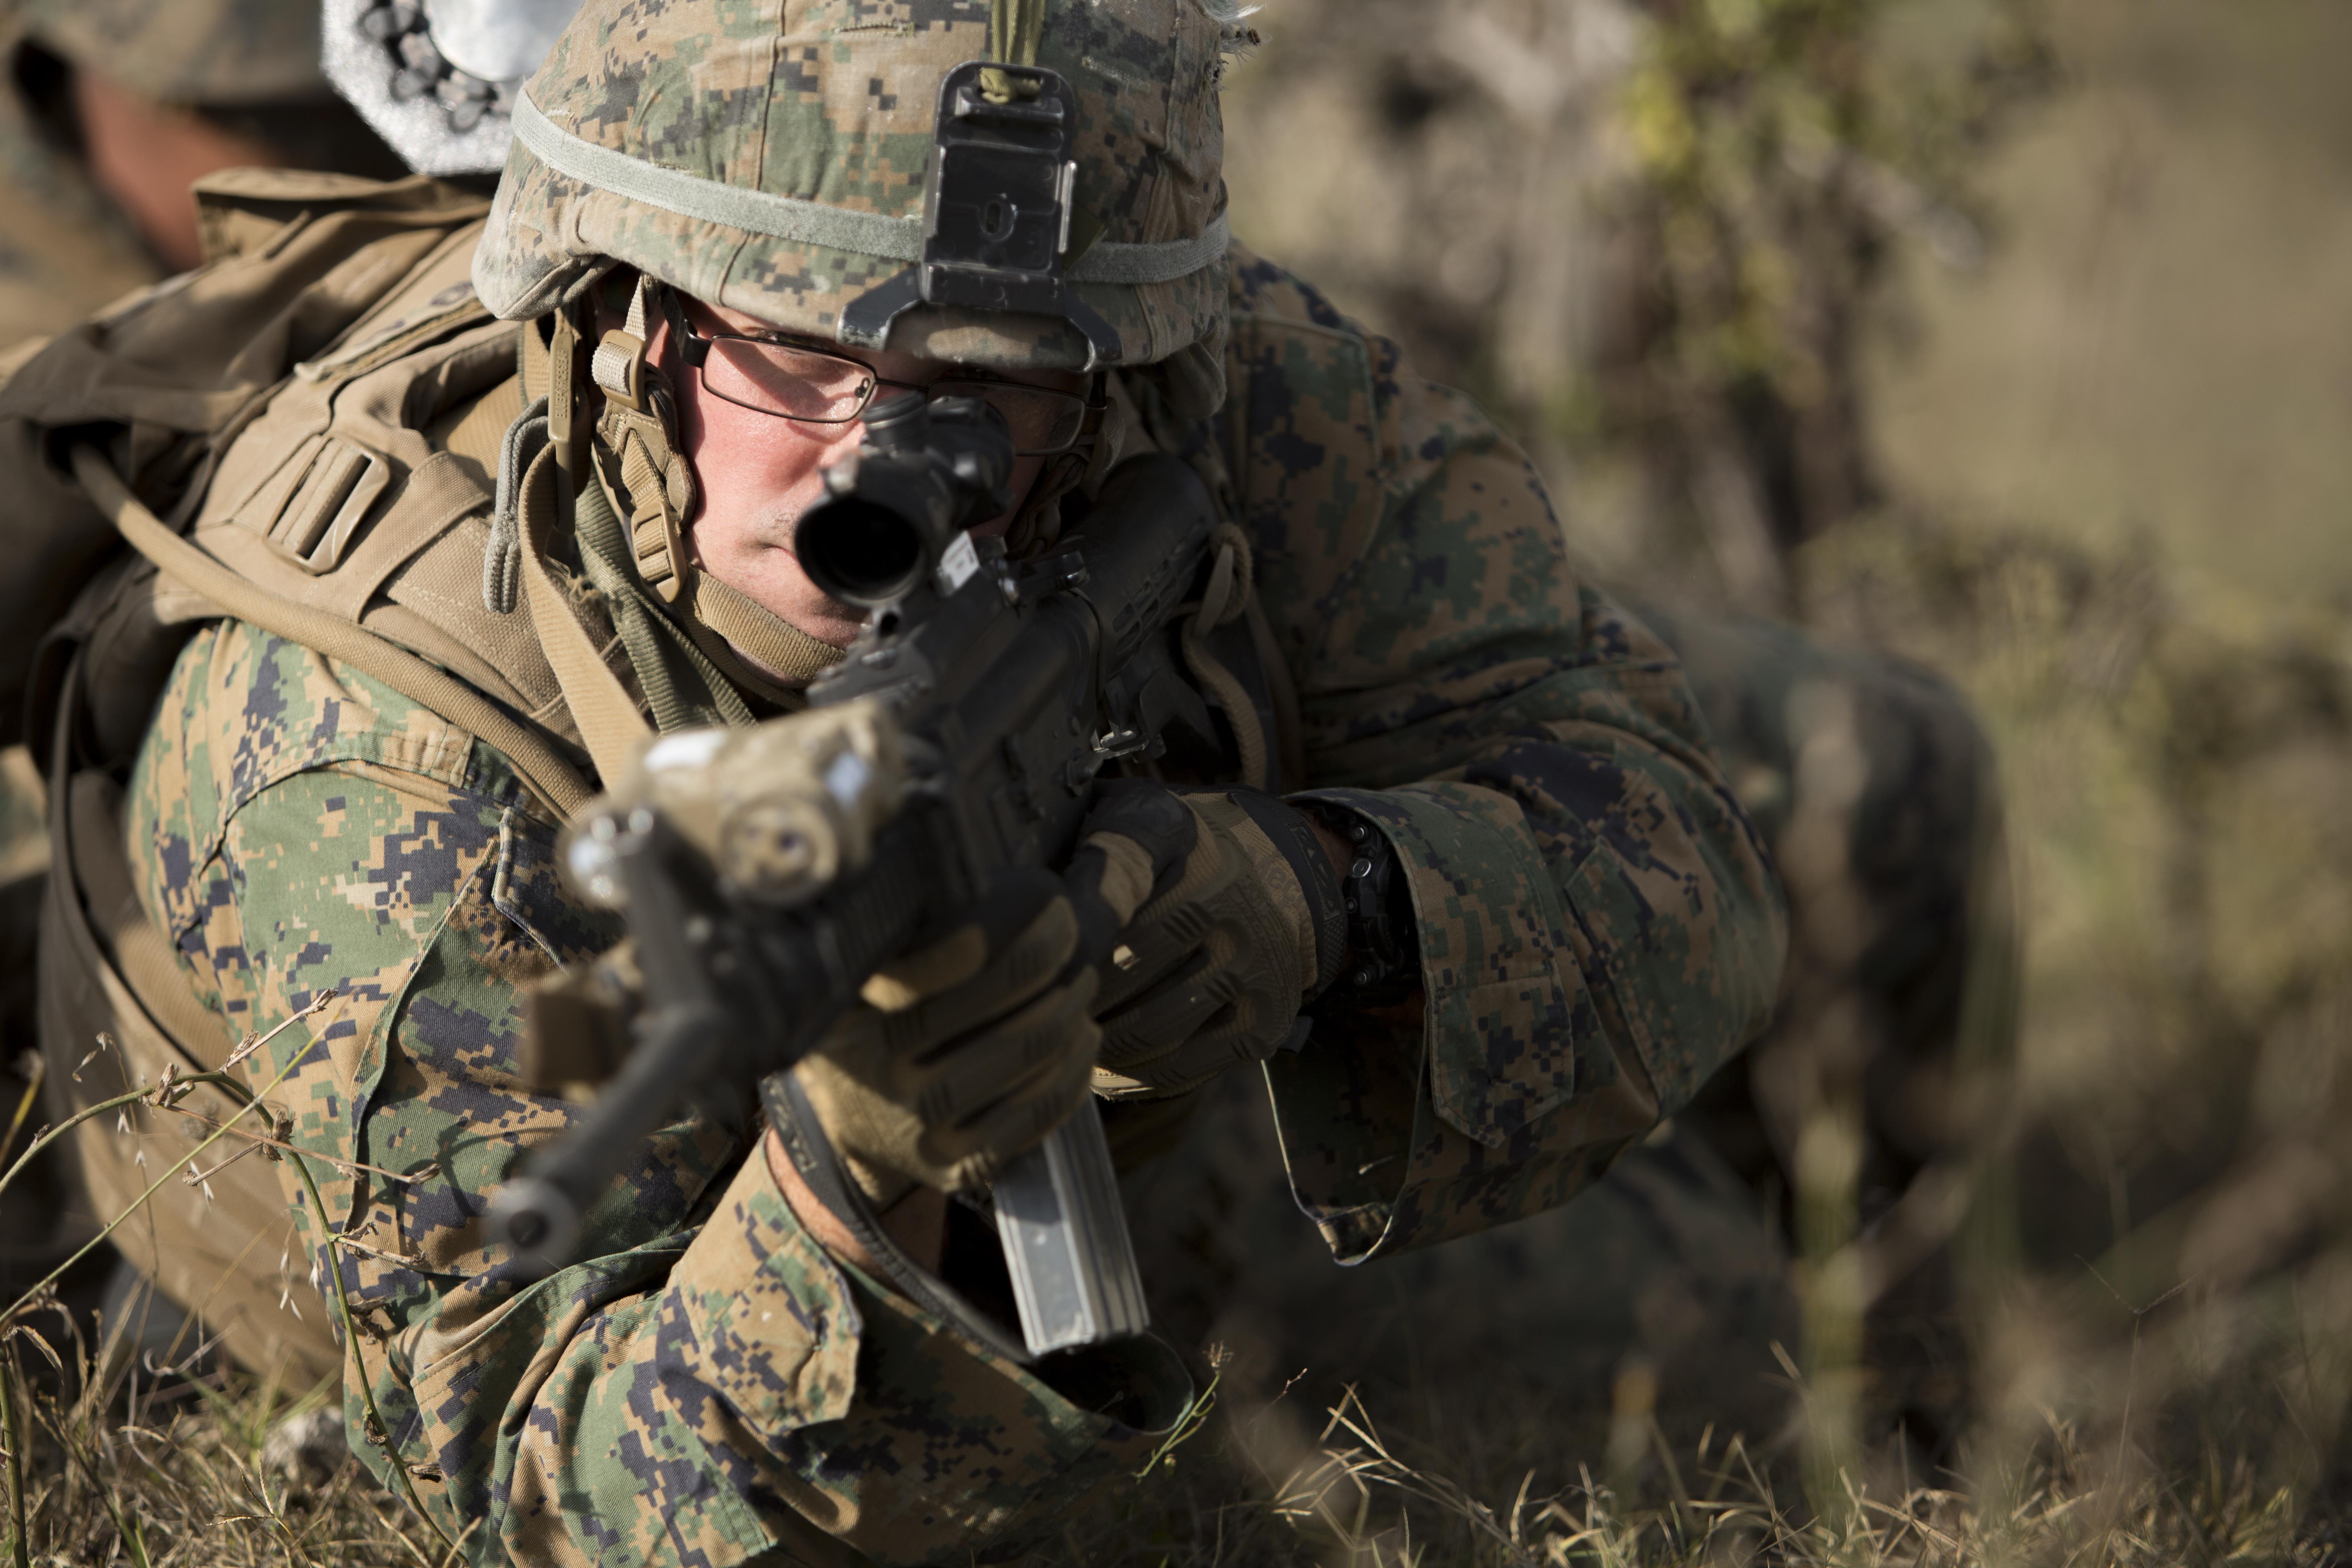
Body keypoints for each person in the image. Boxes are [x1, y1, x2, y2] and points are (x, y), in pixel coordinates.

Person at [0, 0, 2001, 1560]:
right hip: (571, 1278)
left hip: (1160, 1175)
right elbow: (547, 1500)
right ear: (624, 314)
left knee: (1740, 1371)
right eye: (798, 352)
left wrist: (1313, 907)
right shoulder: (368, 743)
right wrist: (853, 1163)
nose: (879, 457)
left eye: (984, 387)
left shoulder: (1192, 371)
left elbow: (1675, 854)